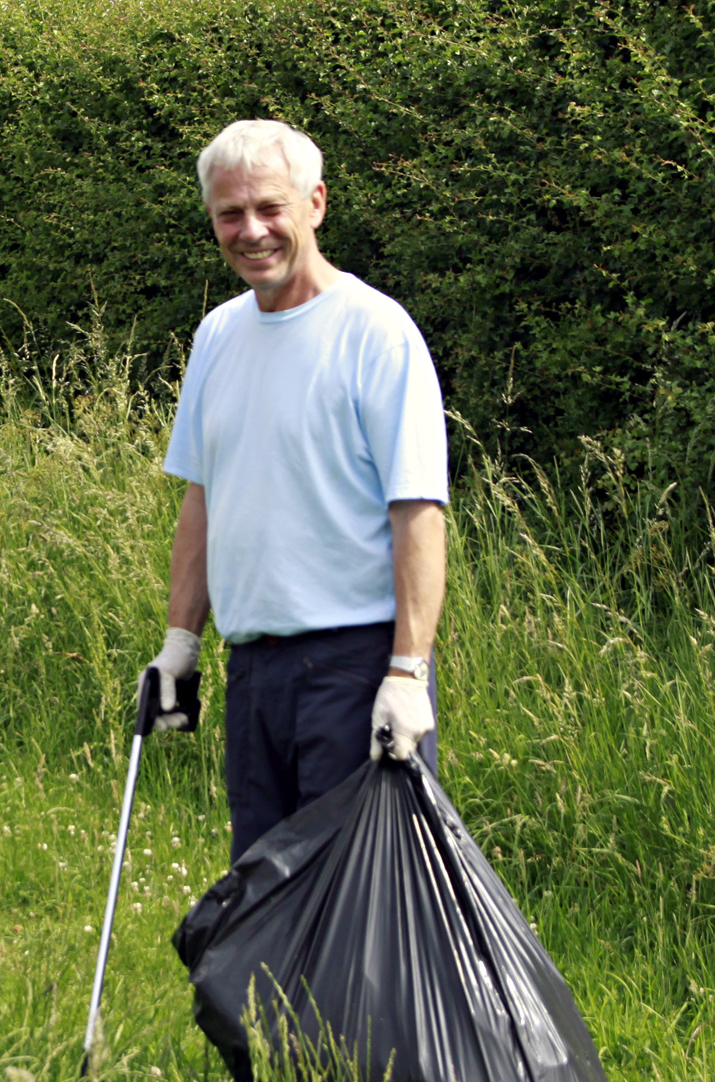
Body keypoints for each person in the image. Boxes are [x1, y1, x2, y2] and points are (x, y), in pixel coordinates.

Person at [148, 119, 448, 859]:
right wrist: (181, 642)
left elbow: (418, 512)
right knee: (265, 892)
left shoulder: (376, 332)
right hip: (253, 670)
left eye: (269, 208)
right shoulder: (217, 337)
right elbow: (204, 498)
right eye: (230, 214)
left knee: (358, 915)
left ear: (315, 203)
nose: (251, 231)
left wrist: (408, 674)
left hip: (354, 671)